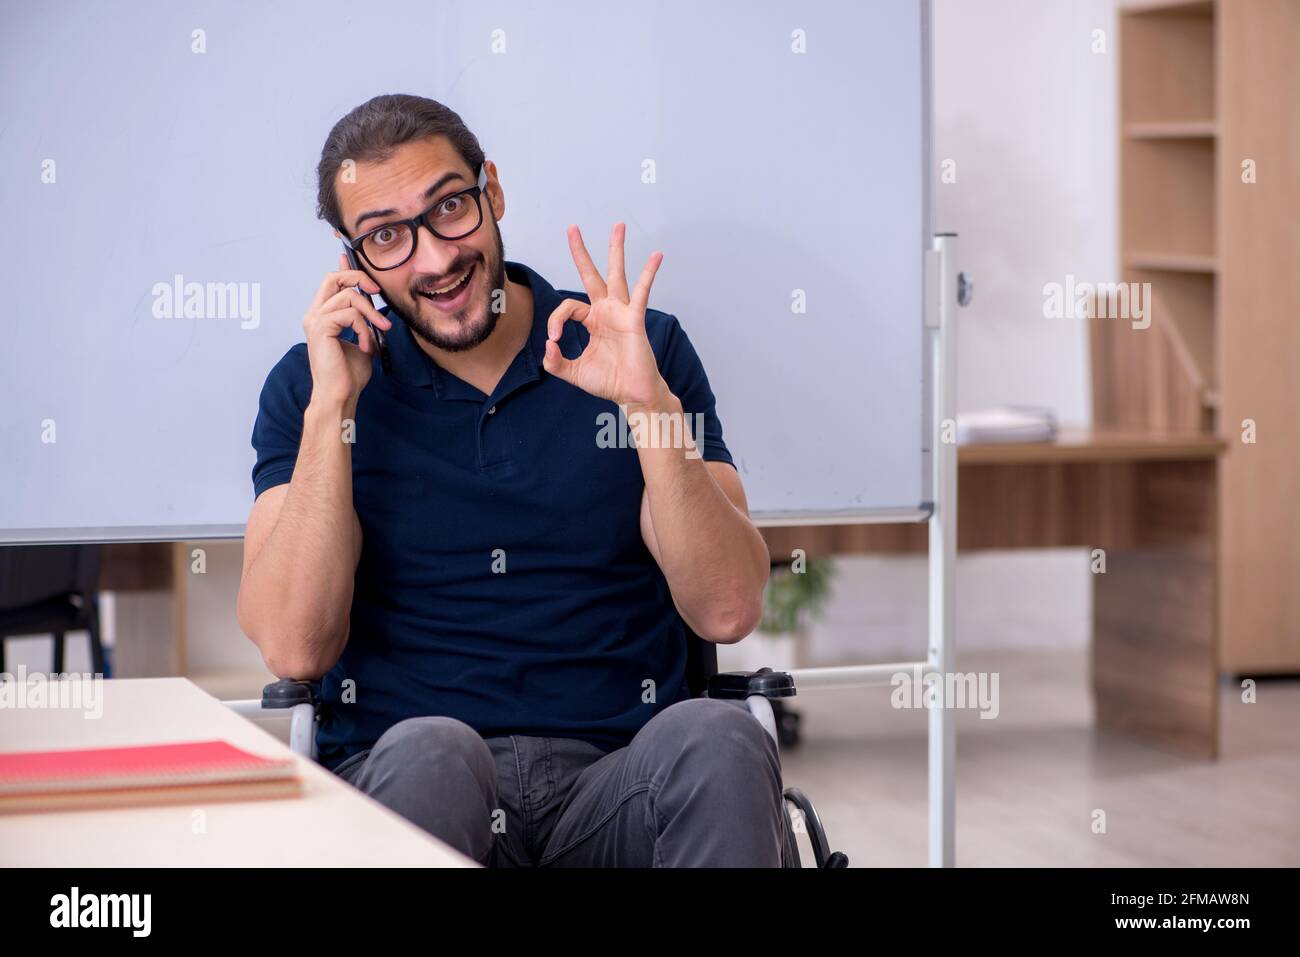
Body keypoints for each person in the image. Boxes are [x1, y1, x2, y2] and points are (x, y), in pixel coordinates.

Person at [237, 94, 782, 867]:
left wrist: (646, 405)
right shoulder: (312, 387)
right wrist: (334, 411)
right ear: (350, 256)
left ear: (491, 190)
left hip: (616, 781)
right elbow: (295, 645)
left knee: (721, 738)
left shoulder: (635, 348)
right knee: (434, 751)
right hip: (417, 786)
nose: (433, 258)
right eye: (386, 235)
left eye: (450, 207)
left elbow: (727, 606)